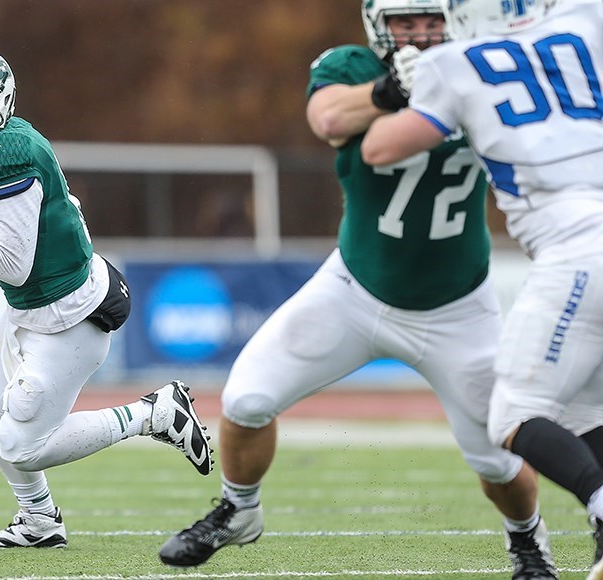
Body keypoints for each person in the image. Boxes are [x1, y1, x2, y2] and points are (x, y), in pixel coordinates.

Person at [157, 2, 562, 578]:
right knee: (245, 401)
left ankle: (528, 542)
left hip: (457, 307)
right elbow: (326, 119)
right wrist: (389, 91)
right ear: (379, 24)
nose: (420, 33)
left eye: (431, 20)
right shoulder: (352, 68)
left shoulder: (482, 70)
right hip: (353, 289)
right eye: (405, 22)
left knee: (496, 458)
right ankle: (239, 510)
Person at [0, 46, 213, 549]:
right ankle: (39, 520)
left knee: (23, 445)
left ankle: (155, 414)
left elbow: (11, 263)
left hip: (66, 316)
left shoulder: (2, 154)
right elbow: (19, 224)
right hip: (32, 307)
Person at [361, 0, 603, 576]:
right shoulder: (584, 21)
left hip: (576, 251)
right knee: (585, 409)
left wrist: (405, 89)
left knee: (512, 417)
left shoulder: (453, 63)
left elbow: (378, 148)